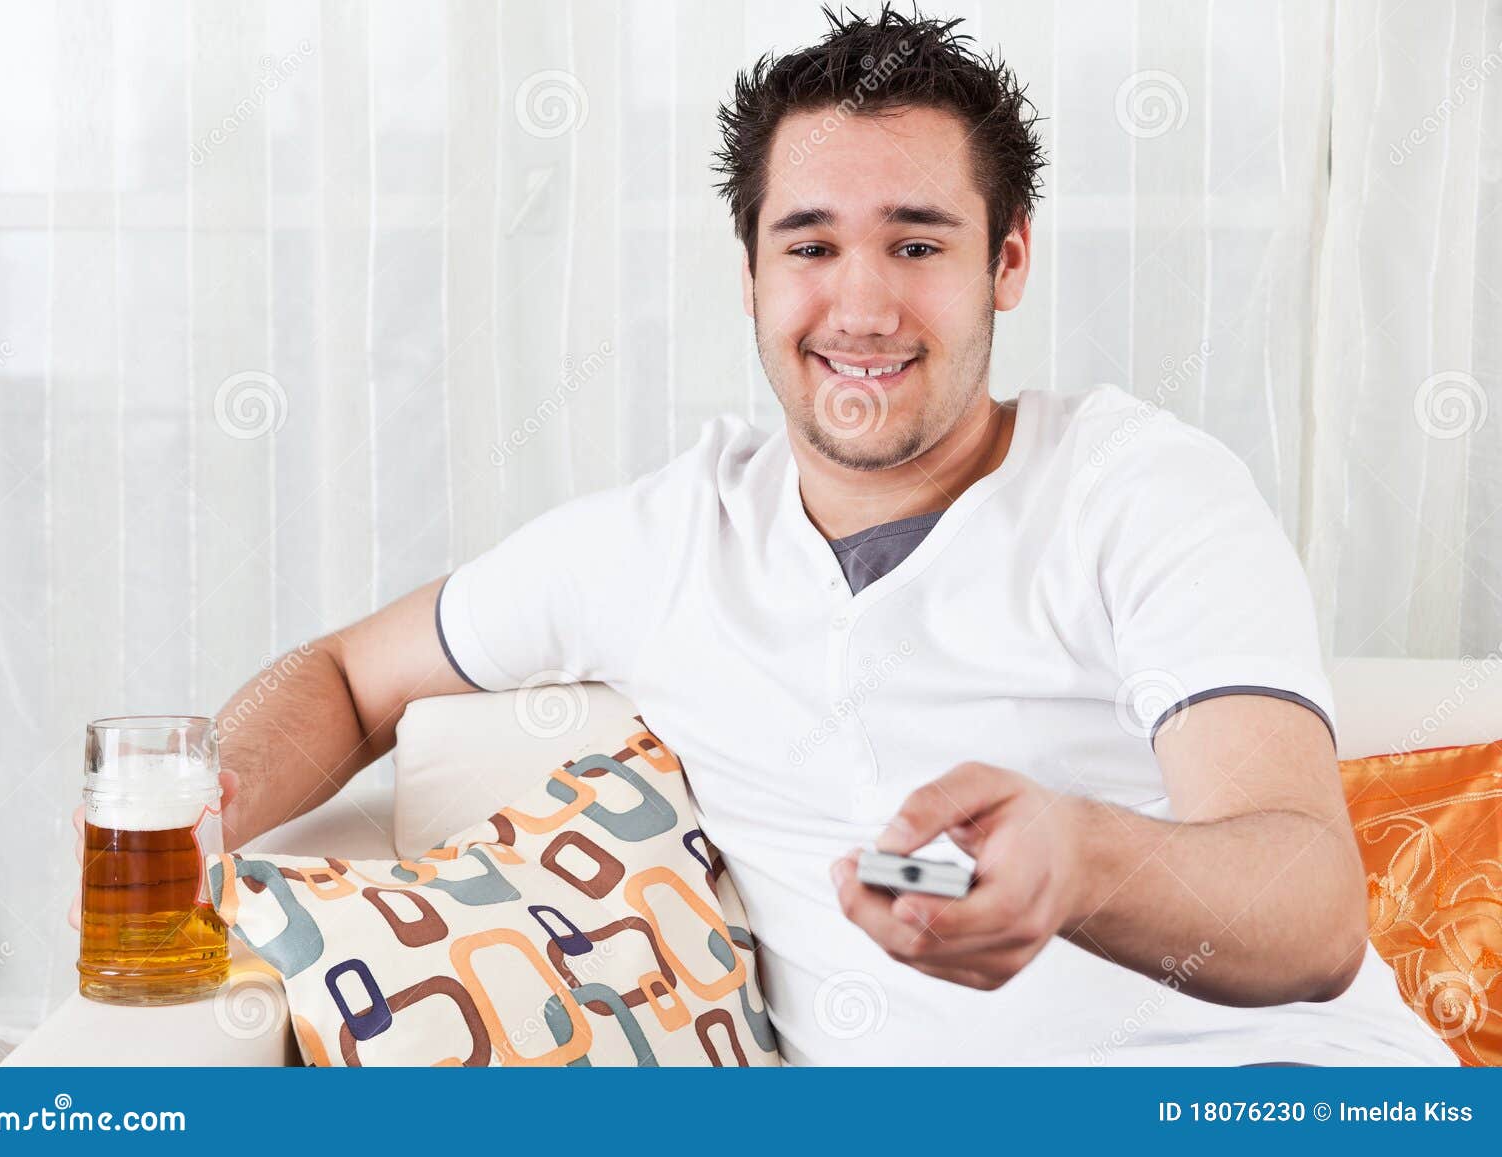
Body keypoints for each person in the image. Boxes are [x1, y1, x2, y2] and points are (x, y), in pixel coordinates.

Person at [73, 5, 1456, 1066]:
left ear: (1009, 262)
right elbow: (345, 675)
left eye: (918, 244)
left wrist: (1084, 858)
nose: (860, 306)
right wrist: (206, 804)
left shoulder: (1145, 494)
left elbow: (1313, 902)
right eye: (810, 244)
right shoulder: (664, 537)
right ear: (750, 275)